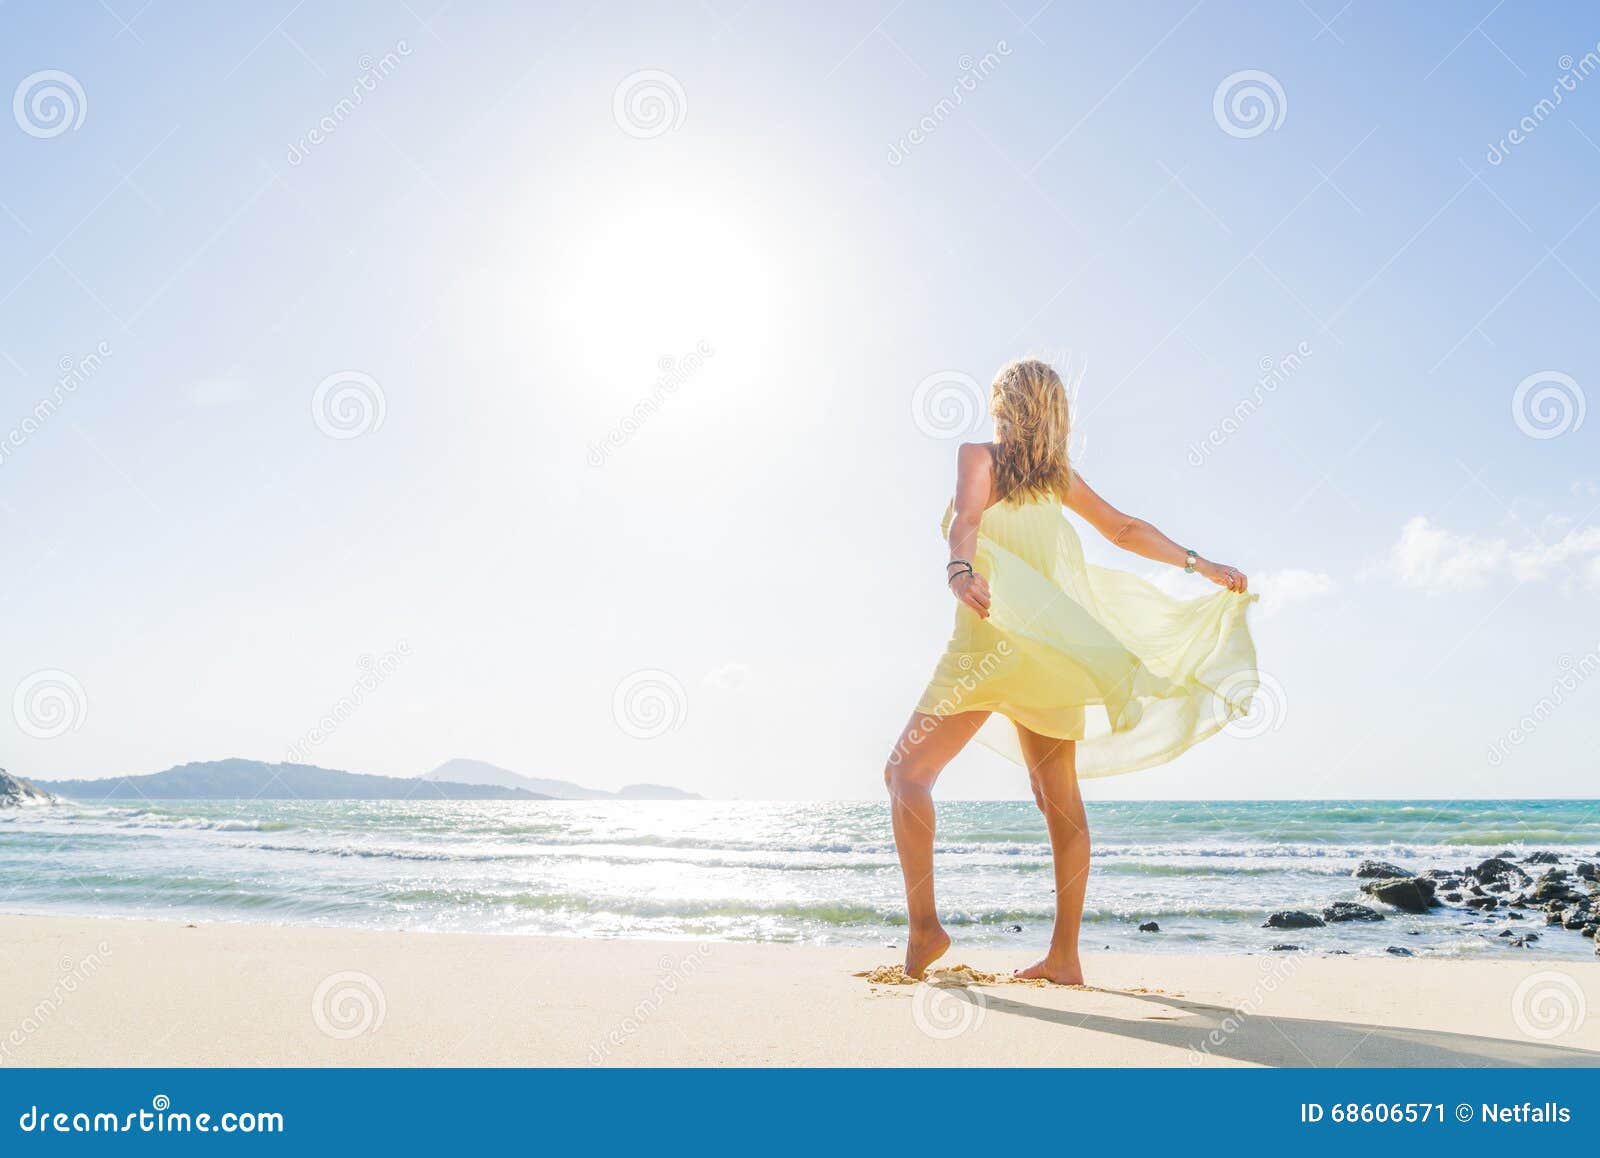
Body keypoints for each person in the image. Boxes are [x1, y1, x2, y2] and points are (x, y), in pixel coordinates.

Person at [885, 359, 1256, 983]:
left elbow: (969, 521)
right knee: (1058, 803)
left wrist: (959, 573)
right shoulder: (1056, 479)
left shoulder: (979, 456)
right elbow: (1125, 529)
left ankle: (926, 928)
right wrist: (1205, 565)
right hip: (1052, 656)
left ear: (1005, 405)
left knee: (906, 773)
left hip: (986, 648)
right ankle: (1064, 957)